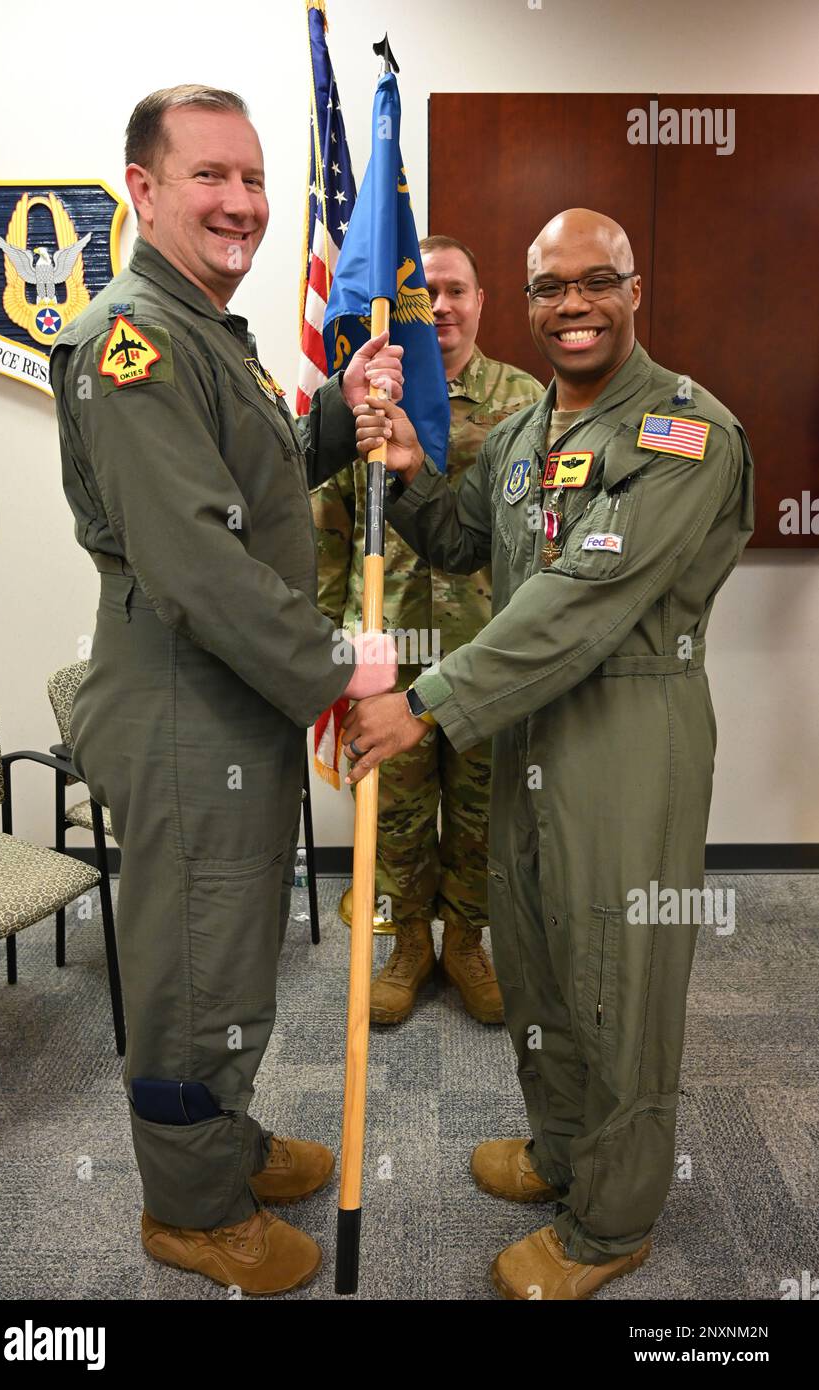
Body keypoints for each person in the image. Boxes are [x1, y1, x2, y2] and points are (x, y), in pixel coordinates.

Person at [342, 208, 754, 1299]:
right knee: (532, 950)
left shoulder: (683, 432)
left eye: (593, 283)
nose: (569, 306)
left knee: (615, 973)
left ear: (632, 291)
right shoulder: (528, 435)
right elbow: (470, 543)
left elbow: (580, 602)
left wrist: (424, 702)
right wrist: (411, 469)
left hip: (626, 736)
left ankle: (610, 1221)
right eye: (548, 288)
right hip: (525, 728)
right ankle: (565, 1150)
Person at [50, 84, 401, 1298]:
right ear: (143, 190)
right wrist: (338, 675)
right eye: (210, 176)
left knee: (231, 950)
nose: (243, 202)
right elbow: (200, 561)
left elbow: (245, 475)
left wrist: (336, 427)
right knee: (194, 965)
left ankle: (225, 1139)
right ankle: (190, 1210)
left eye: (253, 178)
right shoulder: (132, 340)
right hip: (187, 707)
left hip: (227, 706)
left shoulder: (205, 333)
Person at [311, 235, 543, 1025]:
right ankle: (409, 944)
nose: (441, 306)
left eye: (456, 291)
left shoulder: (524, 401)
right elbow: (329, 524)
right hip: (388, 649)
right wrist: (321, 643)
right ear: (406, 309)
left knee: (481, 811)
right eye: (425, 295)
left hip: (485, 646)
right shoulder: (373, 401)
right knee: (397, 814)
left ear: (481, 301)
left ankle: (466, 945)